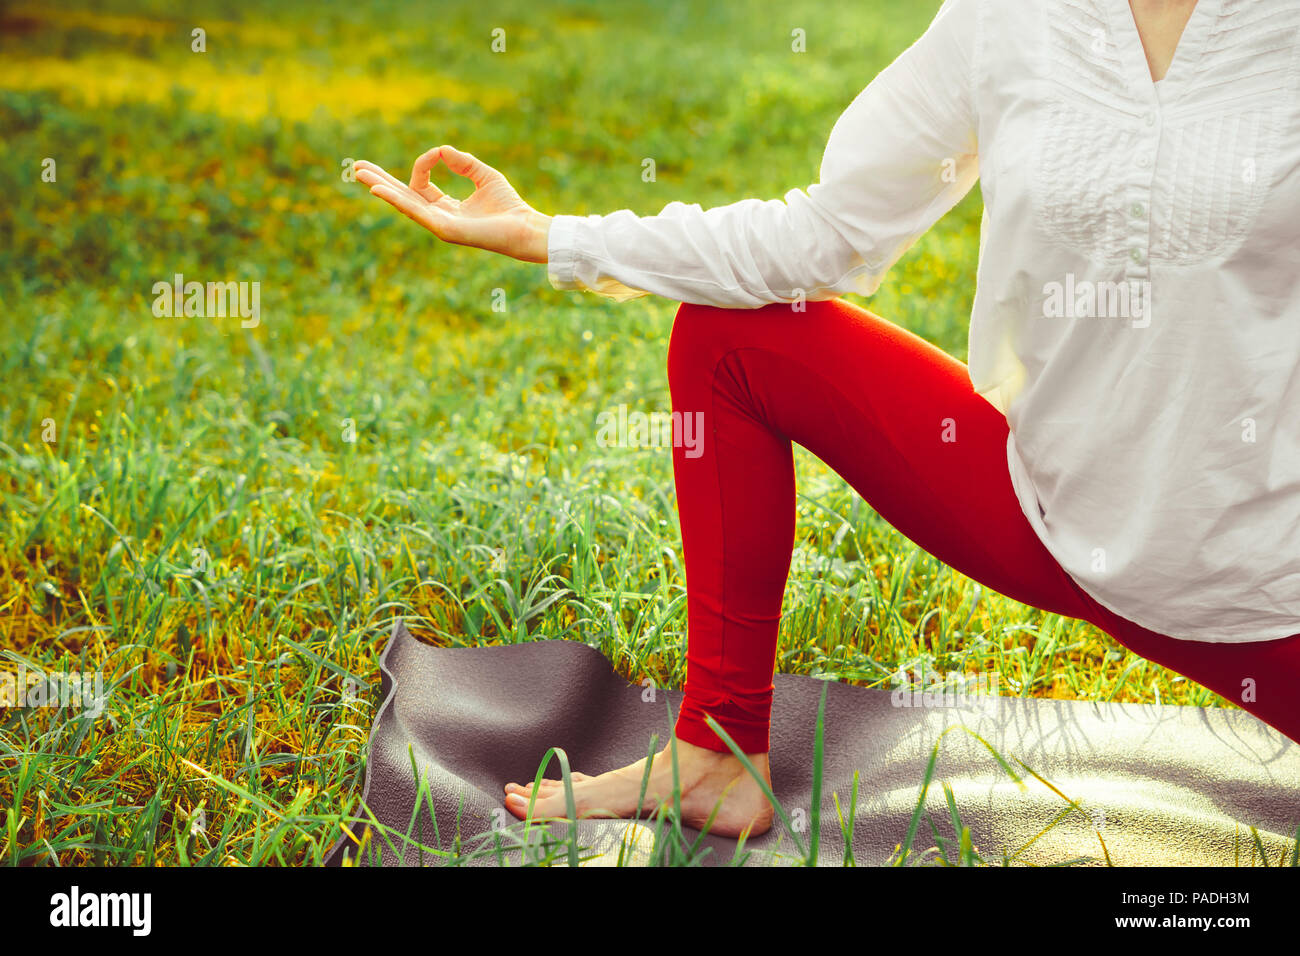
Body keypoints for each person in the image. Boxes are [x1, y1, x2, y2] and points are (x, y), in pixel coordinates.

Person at [353, 0, 1300, 838]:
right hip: (1042, 506)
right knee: (733, 342)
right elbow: (829, 233)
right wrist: (555, 236)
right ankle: (719, 750)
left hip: (1267, 581)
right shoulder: (1009, 15)